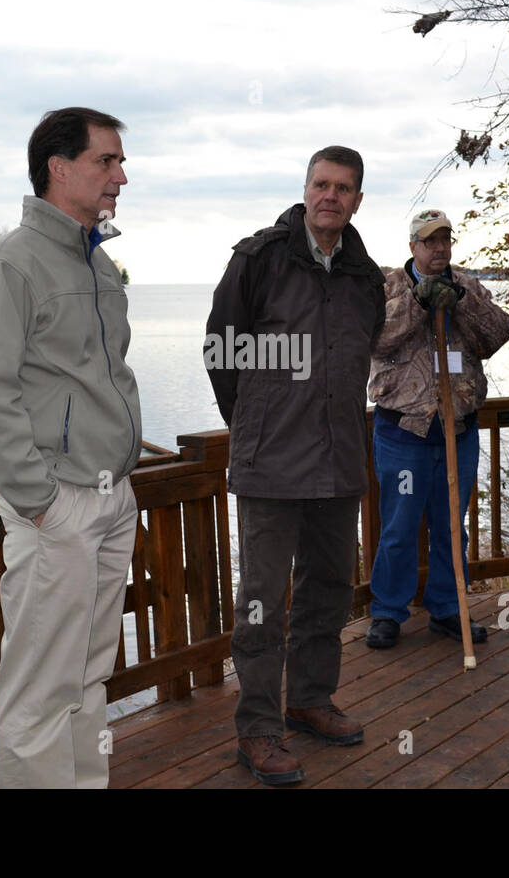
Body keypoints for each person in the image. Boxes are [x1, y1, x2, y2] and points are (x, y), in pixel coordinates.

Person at [0, 107, 142, 788]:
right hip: (57, 504)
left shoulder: (96, 262)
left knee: (89, 673)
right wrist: (39, 502)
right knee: (39, 688)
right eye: (107, 161)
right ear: (59, 169)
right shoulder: (9, 266)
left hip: (110, 497)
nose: (121, 175)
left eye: (119, 162)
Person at [205, 146, 384, 785]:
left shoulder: (366, 275)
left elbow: (362, 355)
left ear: (357, 199)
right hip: (270, 463)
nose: (329, 196)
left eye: (342, 188)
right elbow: (221, 350)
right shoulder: (258, 259)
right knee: (261, 601)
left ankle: (309, 699)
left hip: (338, 458)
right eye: (320, 184)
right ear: (305, 189)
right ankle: (257, 729)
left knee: (328, 589)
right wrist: (255, 423)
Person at [364, 209, 509, 650]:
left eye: (445, 240)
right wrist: (419, 302)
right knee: (398, 527)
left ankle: (448, 607)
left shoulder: (466, 284)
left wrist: (460, 303)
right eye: (430, 241)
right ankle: (388, 612)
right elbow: (375, 339)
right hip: (403, 433)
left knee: (452, 526)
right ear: (413, 246)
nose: (439, 249)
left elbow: (499, 334)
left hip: (457, 430)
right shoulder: (389, 286)